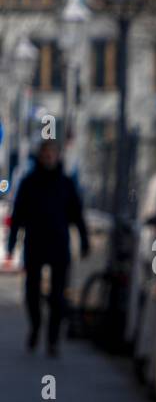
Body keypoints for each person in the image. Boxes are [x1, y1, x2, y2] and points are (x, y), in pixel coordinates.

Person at [5, 140, 89, 356]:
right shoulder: (29, 182)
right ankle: (35, 326)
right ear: (40, 156)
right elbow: (17, 216)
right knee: (31, 292)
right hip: (34, 243)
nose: (49, 157)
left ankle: (52, 339)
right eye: (45, 153)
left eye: (53, 153)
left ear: (58, 156)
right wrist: (11, 243)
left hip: (59, 244)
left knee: (58, 295)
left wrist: (84, 239)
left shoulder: (66, 183)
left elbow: (77, 214)